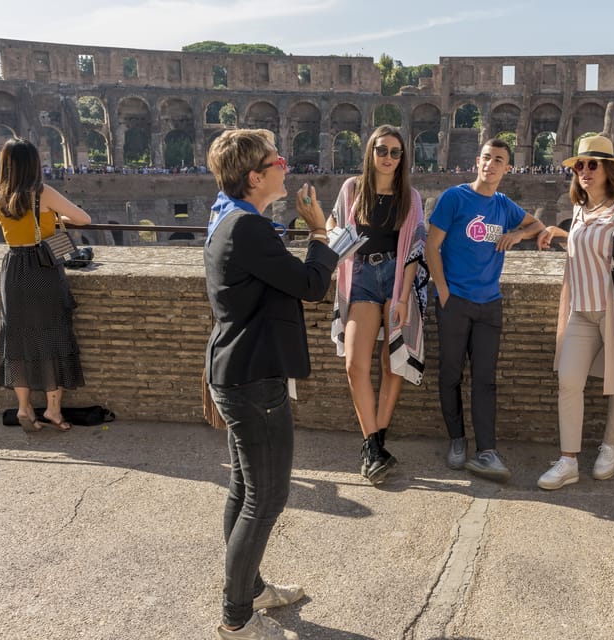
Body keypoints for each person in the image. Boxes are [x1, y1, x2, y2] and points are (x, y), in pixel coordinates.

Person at [204, 128, 338, 640]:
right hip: (253, 379)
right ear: (255, 176)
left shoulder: (230, 218)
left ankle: (251, 590)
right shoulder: (248, 228)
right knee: (267, 496)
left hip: (237, 370)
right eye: (276, 159)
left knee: (245, 489)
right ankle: (236, 619)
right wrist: (321, 233)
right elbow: (309, 285)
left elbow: (275, 279)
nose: (286, 164)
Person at [534, 135, 614, 490]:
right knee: (568, 381)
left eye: (593, 164)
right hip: (581, 310)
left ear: (609, 170)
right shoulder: (579, 211)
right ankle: (568, 460)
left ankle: (611, 445)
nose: (585, 171)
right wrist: (562, 234)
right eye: (580, 165)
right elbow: (585, 248)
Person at [425, 138, 544, 482]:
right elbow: (432, 246)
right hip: (456, 301)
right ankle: (457, 440)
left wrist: (516, 236)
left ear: (508, 168)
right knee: (450, 373)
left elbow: (536, 225)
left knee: (485, 380)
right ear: (477, 161)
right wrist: (444, 292)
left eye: (499, 161)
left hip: (490, 303)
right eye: (487, 158)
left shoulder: (505, 205)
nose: (491, 165)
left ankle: (487, 451)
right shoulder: (455, 198)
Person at [328, 125, 427, 486]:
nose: (388, 158)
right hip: (363, 277)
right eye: (382, 150)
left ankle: (377, 443)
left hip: (397, 278)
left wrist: (402, 298)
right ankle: (372, 445)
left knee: (391, 362)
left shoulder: (410, 196)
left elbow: (415, 247)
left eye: (395, 152)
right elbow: (335, 222)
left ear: (403, 158)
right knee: (355, 363)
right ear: (370, 153)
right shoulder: (353, 188)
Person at [0, 138, 91, 433]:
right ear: (33, 163)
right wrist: (53, 217)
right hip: (43, 269)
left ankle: (24, 408)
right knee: (54, 336)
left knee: (17, 339)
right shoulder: (42, 192)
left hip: (13, 269)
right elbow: (83, 219)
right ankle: (52, 410)